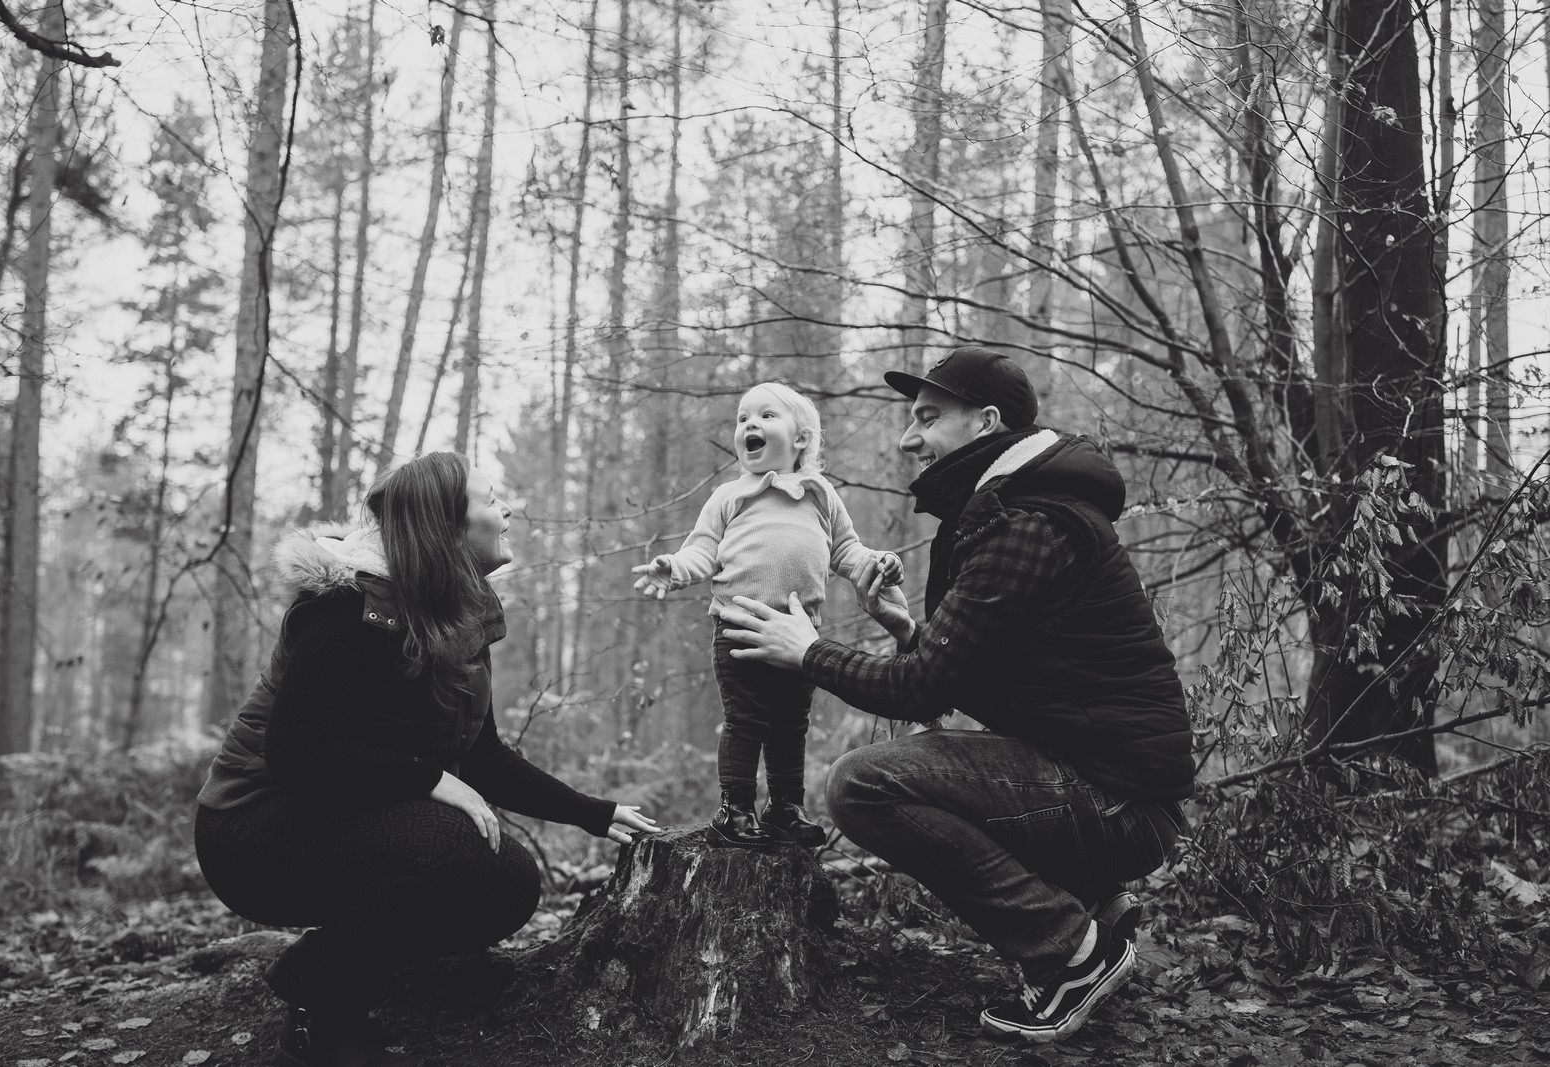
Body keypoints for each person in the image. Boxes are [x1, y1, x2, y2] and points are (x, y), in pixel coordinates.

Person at [718, 347, 1194, 1043]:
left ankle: (1071, 949)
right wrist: (909, 630)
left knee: (861, 784)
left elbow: (924, 691)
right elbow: (966, 681)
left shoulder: (1028, 522)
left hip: (1117, 802)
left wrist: (808, 651)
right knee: (910, 771)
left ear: (986, 422)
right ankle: (1097, 904)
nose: (909, 438)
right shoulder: (1014, 512)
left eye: (928, 417)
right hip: (1108, 789)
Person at [195, 452, 658, 1067]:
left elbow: (484, 755)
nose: (508, 510)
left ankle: (325, 965)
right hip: (253, 829)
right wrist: (433, 780)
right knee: (453, 844)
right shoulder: (349, 609)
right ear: (446, 528)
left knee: (511, 883)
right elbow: (298, 751)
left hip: (336, 816)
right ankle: (325, 1026)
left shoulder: (453, 613)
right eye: (492, 501)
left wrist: (592, 813)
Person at [632, 381, 902, 848]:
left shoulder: (821, 494)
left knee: (790, 725)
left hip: (801, 637)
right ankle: (735, 809)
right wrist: (670, 568)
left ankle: (785, 808)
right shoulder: (729, 495)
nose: (749, 425)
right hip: (741, 628)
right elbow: (703, 553)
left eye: (765, 416)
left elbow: (846, 550)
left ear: (801, 439)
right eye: (742, 419)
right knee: (747, 720)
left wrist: (877, 563)